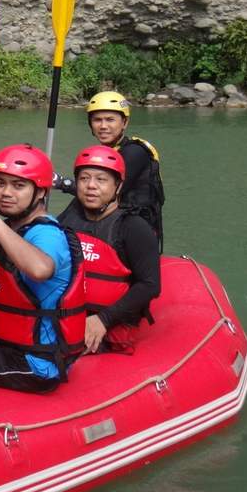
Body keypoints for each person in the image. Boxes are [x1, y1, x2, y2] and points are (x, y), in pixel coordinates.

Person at [0, 144, 86, 392]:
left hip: (34, 362)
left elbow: (40, 269)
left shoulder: (47, 234)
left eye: (18, 185)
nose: (6, 192)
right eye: (0, 183)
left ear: (41, 192)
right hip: (1, 340)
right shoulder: (11, 228)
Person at [57, 145, 160, 355]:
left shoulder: (133, 227)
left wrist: (104, 319)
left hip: (108, 323)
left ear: (119, 186)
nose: (90, 186)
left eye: (101, 180)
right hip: (67, 316)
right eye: (84, 179)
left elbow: (150, 286)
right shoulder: (68, 219)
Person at [83, 91, 166, 247]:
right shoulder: (103, 154)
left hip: (136, 233)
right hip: (111, 226)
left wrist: (64, 184)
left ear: (124, 122)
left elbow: (104, 192)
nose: (103, 126)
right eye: (97, 120)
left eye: (110, 120)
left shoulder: (135, 152)